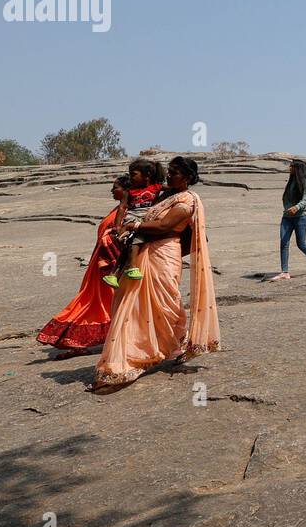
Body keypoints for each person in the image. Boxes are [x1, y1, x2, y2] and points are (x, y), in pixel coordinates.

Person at [91, 157, 220, 392]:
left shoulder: (187, 200)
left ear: (188, 178)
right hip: (146, 252)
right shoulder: (164, 195)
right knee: (133, 303)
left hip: (165, 253)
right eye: (168, 172)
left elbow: (164, 225)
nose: (169, 176)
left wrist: (134, 227)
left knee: (165, 301)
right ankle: (134, 352)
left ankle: (169, 343)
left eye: (174, 173)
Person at [37, 175, 127, 356]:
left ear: (125, 190)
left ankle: (84, 339)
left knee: (101, 302)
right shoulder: (118, 209)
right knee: (94, 300)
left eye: (115, 187)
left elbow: (122, 236)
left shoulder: (127, 211)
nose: (112, 191)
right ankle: (82, 340)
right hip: (100, 263)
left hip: (110, 265)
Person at [102, 158, 166, 288]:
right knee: (134, 239)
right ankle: (132, 267)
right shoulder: (129, 191)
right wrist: (118, 225)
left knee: (128, 244)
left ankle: (114, 275)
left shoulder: (156, 187)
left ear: (147, 175)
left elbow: (172, 189)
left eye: (133, 174)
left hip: (147, 218)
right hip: (132, 217)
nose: (130, 177)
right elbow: (122, 207)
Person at [270, 159, 306, 281]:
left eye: (291, 166)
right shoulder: (291, 181)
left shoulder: (304, 181)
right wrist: (287, 209)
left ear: (297, 168)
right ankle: (285, 272)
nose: (289, 168)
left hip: (300, 218)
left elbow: (305, 199)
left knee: (301, 244)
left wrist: (296, 207)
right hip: (287, 218)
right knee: (284, 242)